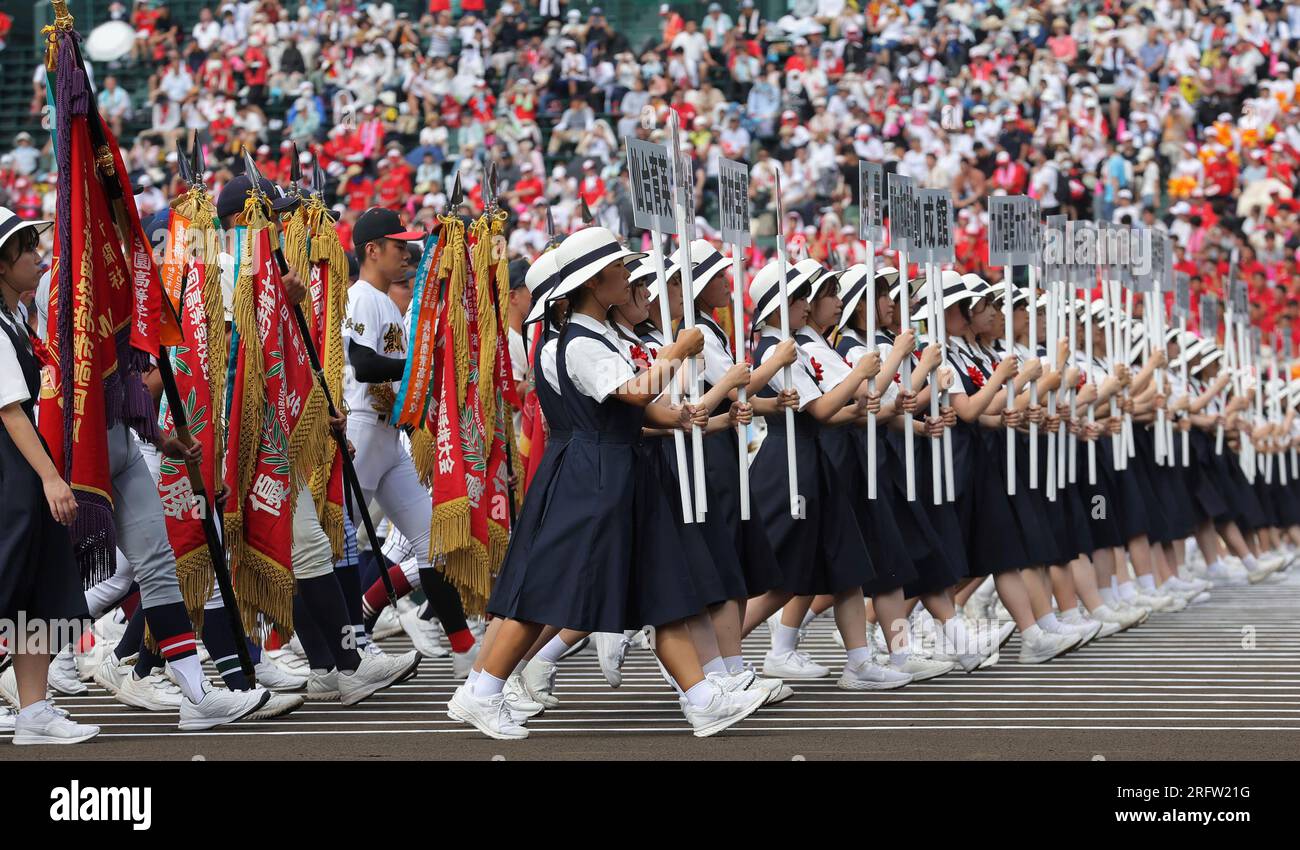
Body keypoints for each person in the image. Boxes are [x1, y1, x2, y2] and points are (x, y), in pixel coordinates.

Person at [451, 226, 766, 739]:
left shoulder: (601, 335)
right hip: (590, 476)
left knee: (665, 587)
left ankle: (703, 697)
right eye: (620, 269)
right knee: (548, 591)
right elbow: (637, 391)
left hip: (616, 469)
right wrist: (680, 352)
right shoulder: (577, 342)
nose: (630, 276)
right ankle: (481, 691)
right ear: (596, 282)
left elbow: (641, 411)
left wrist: (686, 415)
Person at [0, 209, 99, 744]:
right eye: (26, 250)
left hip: (25, 469)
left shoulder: (16, 317)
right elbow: (11, 410)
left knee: (35, 591)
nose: (39, 258)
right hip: (12, 472)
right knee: (9, 582)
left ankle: (34, 712)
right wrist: (51, 479)